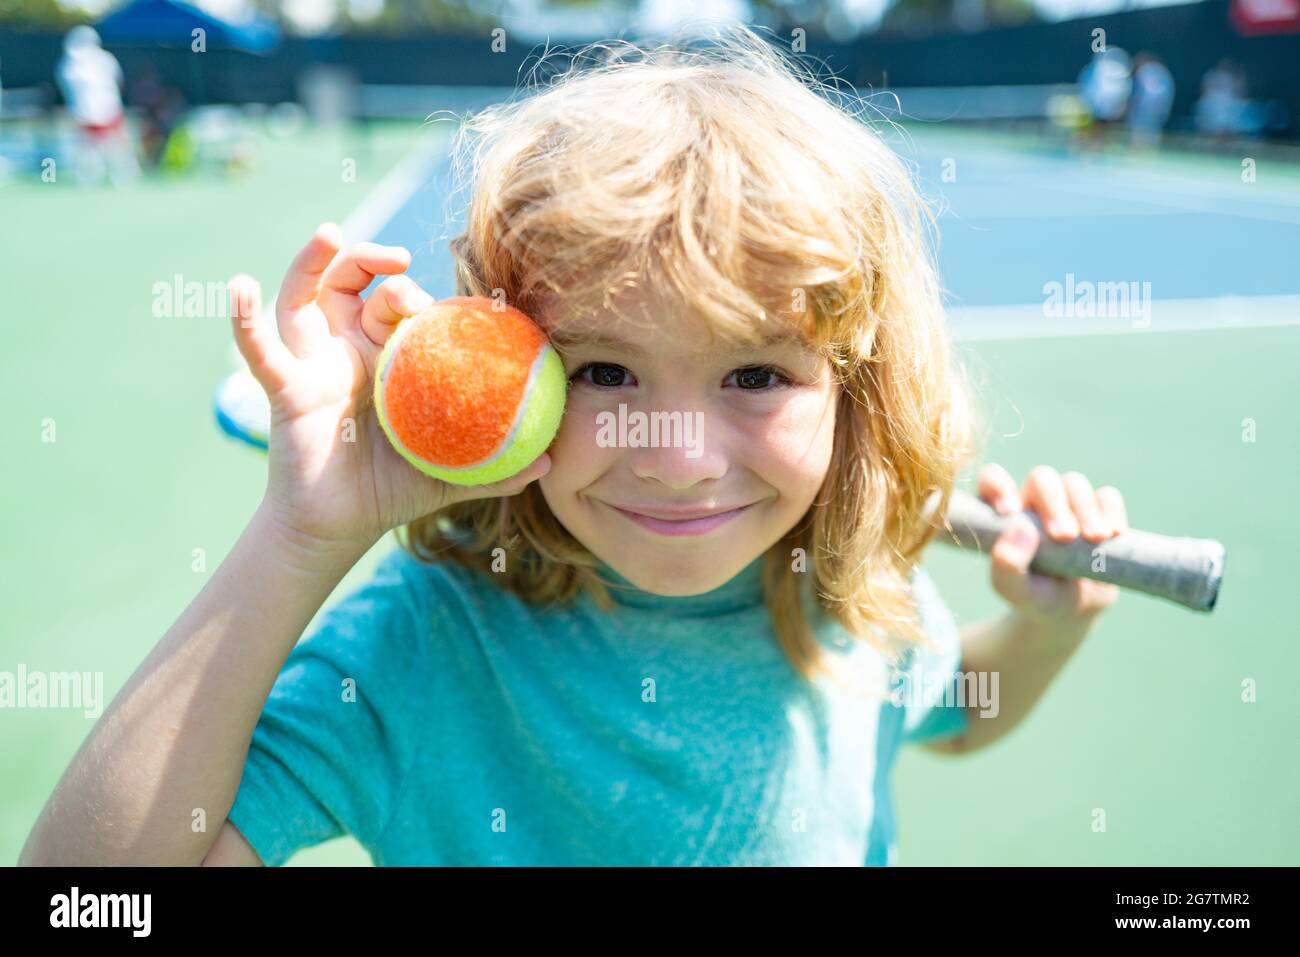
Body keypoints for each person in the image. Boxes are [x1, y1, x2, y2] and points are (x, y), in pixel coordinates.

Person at [21, 25, 1130, 867]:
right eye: (603, 372)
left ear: (857, 398)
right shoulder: (419, 651)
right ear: (513, 372)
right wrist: (296, 540)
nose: (679, 456)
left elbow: (950, 708)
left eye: (755, 374)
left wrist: (1044, 632)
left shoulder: (848, 592)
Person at [54, 25, 139, 185]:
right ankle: (91, 179)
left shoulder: (103, 60)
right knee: (89, 150)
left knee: (116, 148)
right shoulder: (69, 65)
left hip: (108, 111)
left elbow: (116, 83)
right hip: (86, 114)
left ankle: (123, 178)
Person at [1128, 51, 1175, 151]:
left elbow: (1140, 93)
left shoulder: (1144, 71)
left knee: (1140, 134)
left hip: (1143, 109)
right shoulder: (1163, 71)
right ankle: (1149, 152)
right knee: (1152, 134)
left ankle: (1140, 152)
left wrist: (1132, 107)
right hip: (1158, 109)